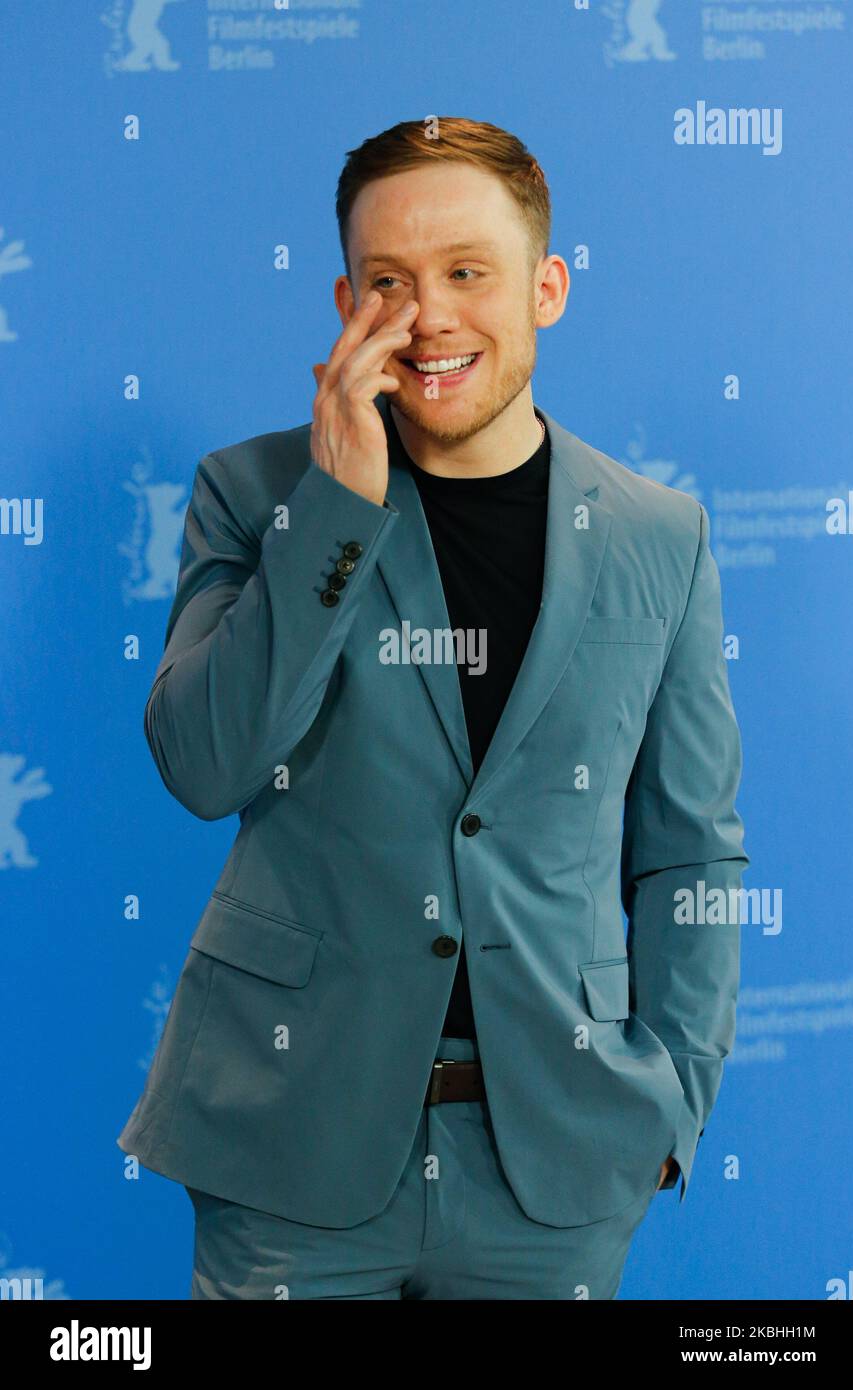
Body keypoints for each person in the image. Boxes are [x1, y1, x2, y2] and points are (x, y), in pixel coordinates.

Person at [117, 117, 749, 1300]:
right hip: (287, 1145)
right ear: (345, 300)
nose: (430, 317)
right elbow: (205, 766)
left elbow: (689, 851)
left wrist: (674, 1101)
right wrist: (338, 506)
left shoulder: (659, 537)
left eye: (467, 272)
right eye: (390, 283)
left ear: (544, 288)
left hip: (553, 1166)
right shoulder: (255, 496)